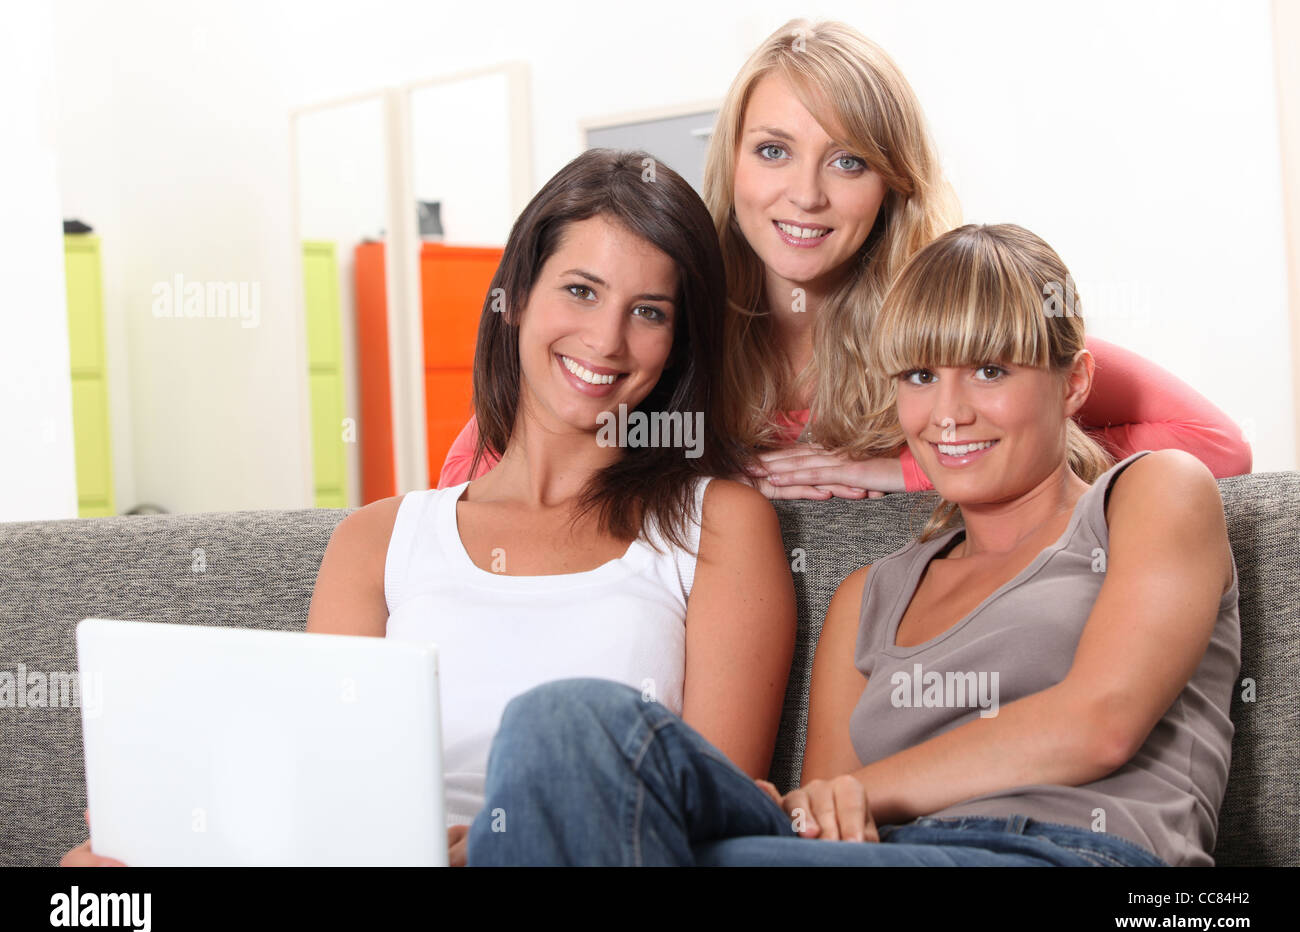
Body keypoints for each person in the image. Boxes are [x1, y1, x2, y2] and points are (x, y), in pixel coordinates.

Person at [61, 149, 796, 868]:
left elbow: (712, 808)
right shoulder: (378, 541)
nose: (606, 339)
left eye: (648, 311)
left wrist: (500, 842)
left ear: (678, 343)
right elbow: (324, 792)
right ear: (515, 300)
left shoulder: (719, 524)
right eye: (580, 290)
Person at [463, 223, 1240, 867]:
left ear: (1073, 384)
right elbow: (824, 819)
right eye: (919, 374)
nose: (948, 413)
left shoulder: (1152, 495)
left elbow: (1097, 721)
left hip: (1077, 855)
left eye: (991, 370)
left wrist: (867, 794)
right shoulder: (868, 597)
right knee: (561, 723)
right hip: (890, 855)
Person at [436, 19, 1251, 499]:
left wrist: (917, 464)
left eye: (849, 161)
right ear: (733, 162)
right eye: (774, 151)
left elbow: (1212, 442)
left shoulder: (943, 325)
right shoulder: (668, 312)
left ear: (892, 185)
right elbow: (480, 464)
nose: (807, 196)